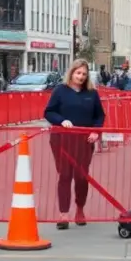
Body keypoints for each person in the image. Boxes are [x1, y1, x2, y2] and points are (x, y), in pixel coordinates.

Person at [43, 58, 105, 229]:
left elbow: (99, 116)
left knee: (81, 176)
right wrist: (61, 121)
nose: (81, 77)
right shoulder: (60, 91)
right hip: (62, 139)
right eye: (78, 73)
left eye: (84, 74)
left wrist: (95, 131)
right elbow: (48, 112)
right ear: (71, 73)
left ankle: (80, 209)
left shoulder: (91, 93)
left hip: (84, 140)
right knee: (64, 175)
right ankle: (63, 214)